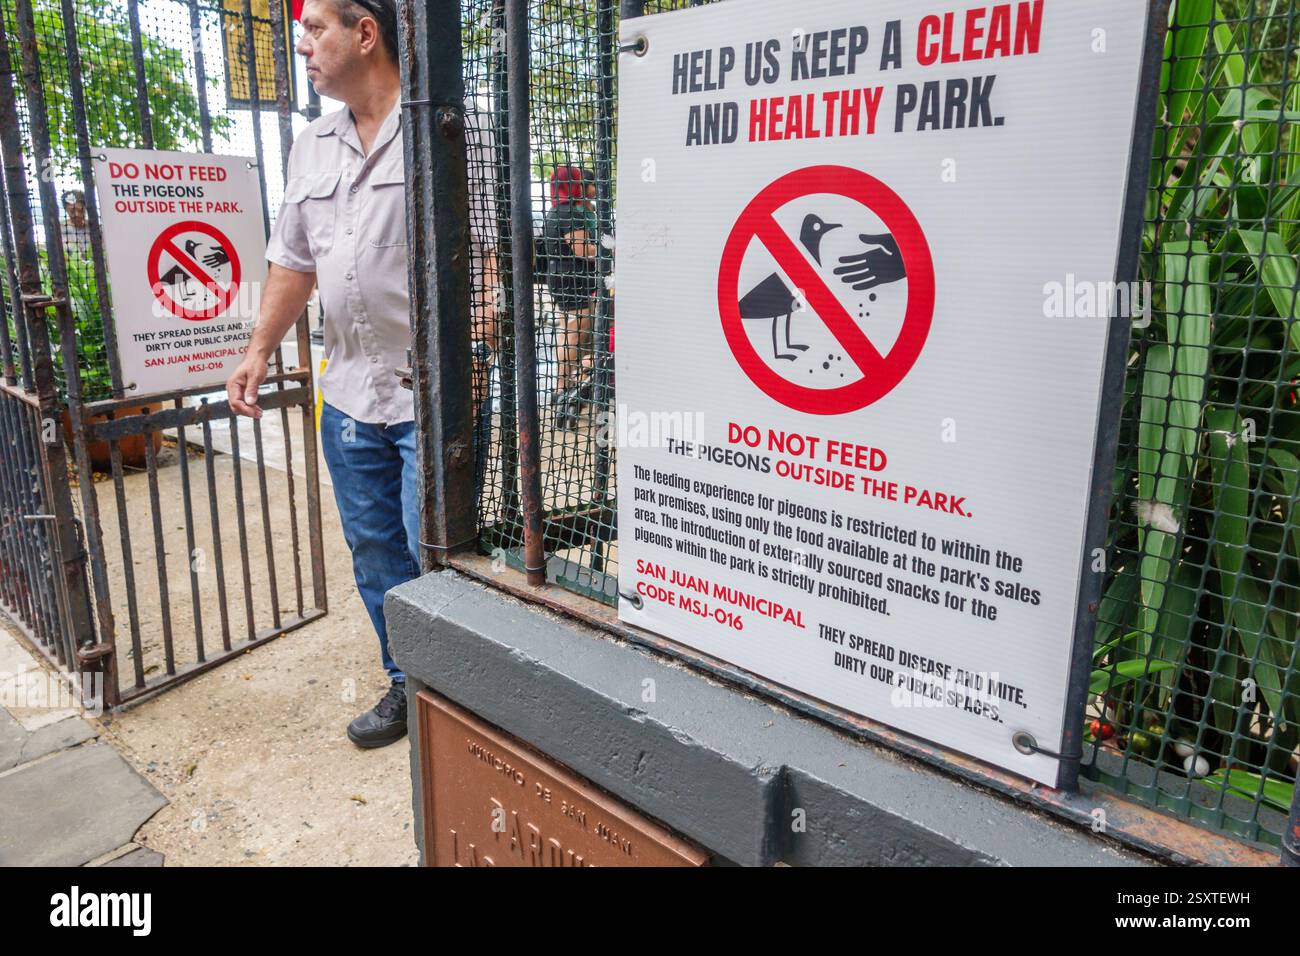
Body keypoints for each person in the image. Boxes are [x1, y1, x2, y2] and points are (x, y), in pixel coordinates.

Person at [225, 0, 495, 748]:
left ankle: (464, 699)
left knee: (437, 550)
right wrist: (256, 351)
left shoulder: (450, 126)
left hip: (430, 396)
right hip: (345, 396)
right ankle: (408, 683)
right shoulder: (310, 145)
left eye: (315, 31)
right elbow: (293, 262)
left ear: (364, 34)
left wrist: (473, 365)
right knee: (375, 550)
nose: (303, 47)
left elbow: (486, 253)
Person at [540, 165, 600, 430]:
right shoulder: (567, 213)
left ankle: (565, 389)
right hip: (575, 281)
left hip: (563, 278)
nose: (594, 189)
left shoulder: (560, 210)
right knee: (578, 335)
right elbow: (583, 250)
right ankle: (565, 391)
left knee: (571, 334)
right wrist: (610, 251)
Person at [62, 189, 91, 254]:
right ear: (66, 210)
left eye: (80, 210)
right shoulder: (59, 229)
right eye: (72, 211)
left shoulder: (94, 228)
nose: (77, 214)